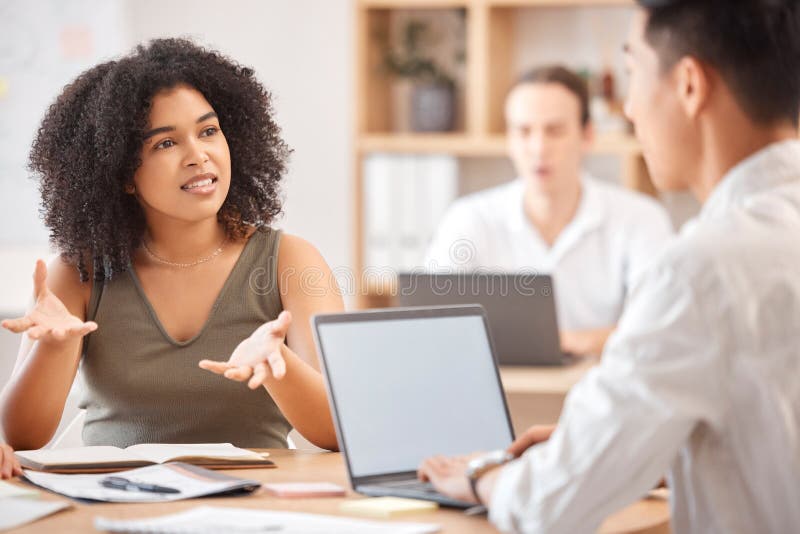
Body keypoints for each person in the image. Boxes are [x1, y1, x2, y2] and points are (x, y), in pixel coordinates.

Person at [417, 1, 800, 532]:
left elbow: (549, 505)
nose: (629, 109)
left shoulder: (702, 268)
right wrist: (613, 446)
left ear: (689, 85)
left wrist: (483, 475)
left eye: (632, 73)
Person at [0, 38, 341, 452]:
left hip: (252, 505)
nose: (198, 155)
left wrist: (278, 365)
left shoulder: (290, 260)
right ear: (122, 172)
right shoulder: (79, 272)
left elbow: (339, 431)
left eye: (209, 131)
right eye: (166, 143)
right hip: (115, 500)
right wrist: (52, 350)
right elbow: (21, 437)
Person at [424, 65, 673, 356]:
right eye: (524, 131)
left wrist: (569, 342)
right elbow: (431, 326)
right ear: (509, 140)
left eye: (554, 131)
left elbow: (664, 328)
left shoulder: (641, 219)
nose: (539, 148)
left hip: (608, 394)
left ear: (587, 136)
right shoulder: (469, 218)